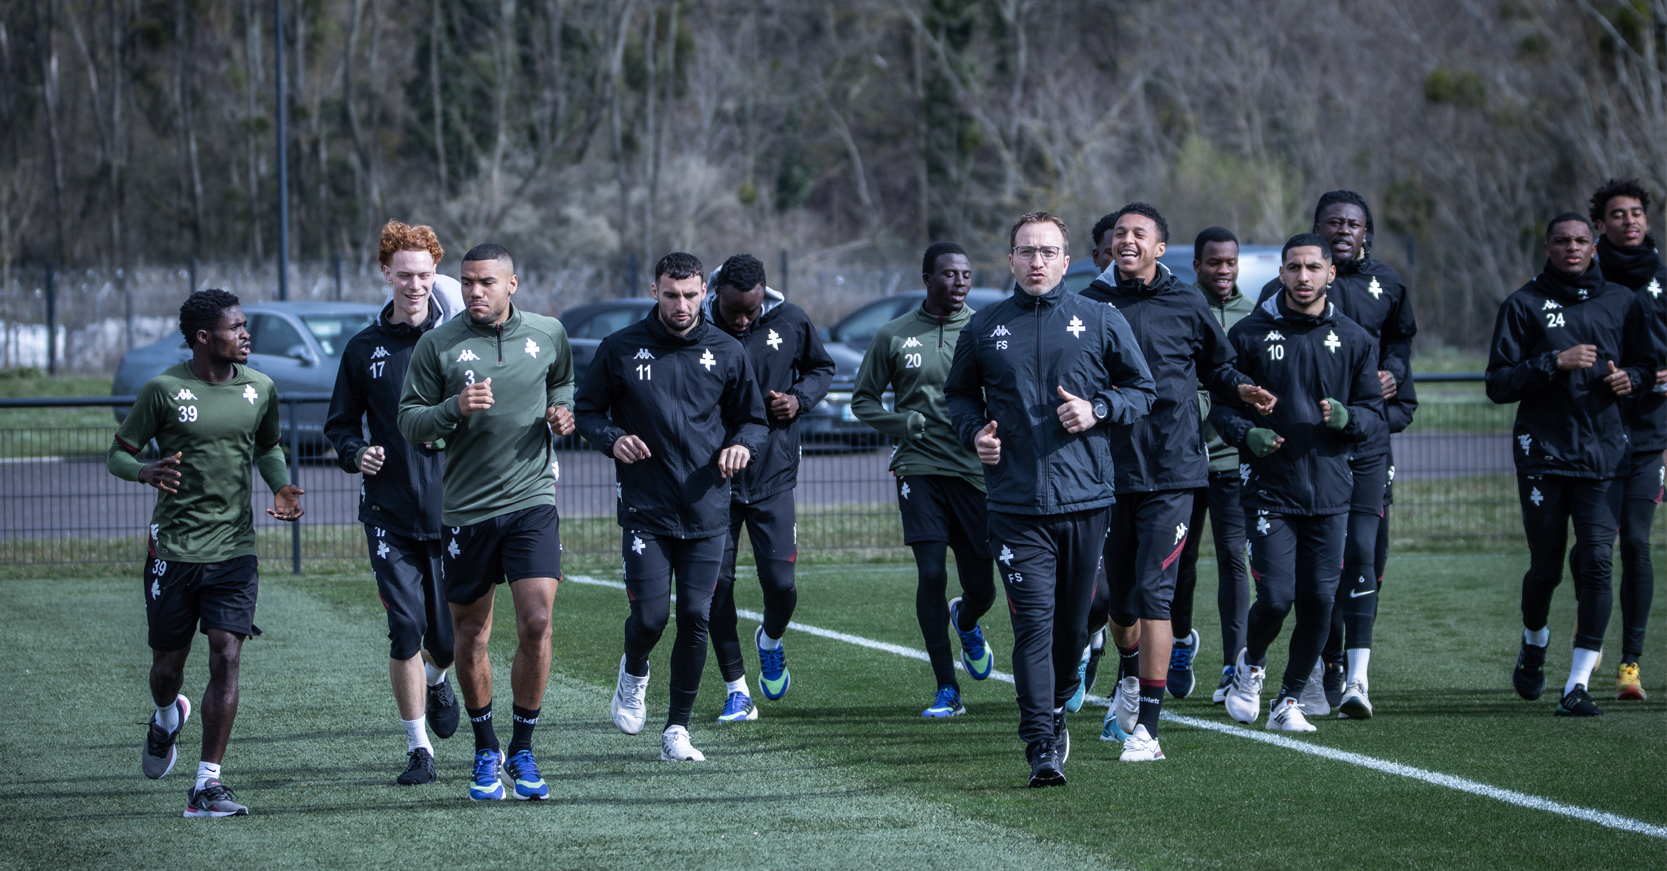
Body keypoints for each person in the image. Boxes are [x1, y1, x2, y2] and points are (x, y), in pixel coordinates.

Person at [945, 211, 1155, 786]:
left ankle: (1061, 698)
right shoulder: (983, 326)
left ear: (1067, 260)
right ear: (1010, 259)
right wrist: (975, 435)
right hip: (1015, 508)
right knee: (1034, 627)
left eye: (1048, 251)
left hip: (1086, 500)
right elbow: (958, 398)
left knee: (1077, 623)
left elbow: (1142, 391)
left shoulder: (1101, 319)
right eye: (1026, 251)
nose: (1037, 261)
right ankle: (1041, 743)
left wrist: (1099, 409)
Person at [1079, 205, 1268, 762]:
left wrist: (1243, 391)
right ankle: (1131, 677)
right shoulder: (1087, 305)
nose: (1127, 240)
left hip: (1172, 472)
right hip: (1107, 474)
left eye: (1140, 234)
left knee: (1155, 595)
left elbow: (1218, 368)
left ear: (1161, 248)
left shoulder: (1187, 301)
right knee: (1118, 600)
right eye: (1120, 233)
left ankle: (1149, 730)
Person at [112, 288, 305, 817]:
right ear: (203, 337)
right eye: (236, 327)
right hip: (174, 549)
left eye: (246, 326)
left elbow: (267, 446)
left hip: (234, 549)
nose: (246, 334)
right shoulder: (163, 389)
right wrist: (144, 471)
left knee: (227, 652)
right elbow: (118, 453)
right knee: (167, 667)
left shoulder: (260, 388)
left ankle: (207, 784)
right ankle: (165, 715)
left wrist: (280, 486)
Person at [397, 243, 576, 800]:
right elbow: (409, 422)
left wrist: (562, 410)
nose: (475, 292)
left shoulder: (548, 333)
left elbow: (563, 382)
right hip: (467, 511)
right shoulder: (437, 345)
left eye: (486, 283)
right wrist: (454, 408)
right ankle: (484, 750)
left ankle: (522, 750)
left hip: (531, 501)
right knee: (470, 636)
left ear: (512, 284)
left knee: (537, 620)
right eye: (468, 282)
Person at [578, 251, 768, 762]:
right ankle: (633, 670)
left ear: (705, 291)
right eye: (670, 294)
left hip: (708, 507)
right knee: (651, 618)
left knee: (696, 617)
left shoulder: (727, 351)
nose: (681, 305)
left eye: (690, 295)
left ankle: (677, 731)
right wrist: (612, 438)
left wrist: (742, 445)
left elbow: (753, 420)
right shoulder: (620, 348)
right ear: (655, 292)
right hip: (647, 506)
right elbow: (587, 411)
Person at [1214, 234, 1385, 733]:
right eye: (1294, 267)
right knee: (1275, 599)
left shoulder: (1354, 339)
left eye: (1313, 267)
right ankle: (1250, 667)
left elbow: (1376, 415)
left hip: (1331, 494)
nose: (1303, 277)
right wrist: (1248, 432)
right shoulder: (1248, 333)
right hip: (1270, 489)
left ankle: (1287, 700)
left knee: (1320, 601)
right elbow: (1221, 404)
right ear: (1281, 273)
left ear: (1331, 273)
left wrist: (1348, 419)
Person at [1487, 212, 1655, 717]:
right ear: (1548, 246)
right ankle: (1534, 640)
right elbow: (1497, 383)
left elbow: (1647, 365)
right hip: (1543, 454)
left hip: (1605, 455)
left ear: (1595, 246)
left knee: (1600, 561)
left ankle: (1576, 685)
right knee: (1546, 568)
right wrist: (1551, 363)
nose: (1573, 248)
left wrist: (1633, 379)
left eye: (1582, 240)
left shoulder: (1622, 302)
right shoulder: (1523, 304)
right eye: (1562, 241)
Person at [1259, 191, 1418, 716]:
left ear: (1365, 231)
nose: (1344, 230)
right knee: (1311, 575)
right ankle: (1317, 669)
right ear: (1317, 229)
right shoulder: (1278, 292)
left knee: (1363, 559)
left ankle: (1356, 677)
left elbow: (1400, 343)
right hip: (1304, 456)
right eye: (1334, 222)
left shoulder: (1388, 283)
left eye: (1354, 223)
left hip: (1366, 447)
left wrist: (1389, 377)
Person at [325, 221, 459, 786]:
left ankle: (437, 679)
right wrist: (358, 453)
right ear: (386, 274)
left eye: (424, 275)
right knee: (405, 628)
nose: (414, 285)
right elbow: (338, 425)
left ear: (436, 275)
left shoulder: (458, 342)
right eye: (403, 275)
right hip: (388, 514)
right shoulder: (363, 349)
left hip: (454, 511)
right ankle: (418, 749)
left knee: (447, 643)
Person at [852, 242, 1000, 719]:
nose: (959, 282)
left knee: (983, 588)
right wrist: (901, 424)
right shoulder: (893, 335)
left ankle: (967, 618)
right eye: (949, 274)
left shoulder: (984, 331)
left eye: (966, 274)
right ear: (926, 278)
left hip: (974, 472)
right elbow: (863, 401)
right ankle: (946, 689)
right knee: (932, 573)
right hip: (918, 468)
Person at [702, 254, 834, 721]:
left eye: (750, 313)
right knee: (716, 588)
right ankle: (736, 687)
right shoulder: (693, 330)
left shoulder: (791, 320)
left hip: (773, 474)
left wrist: (799, 400)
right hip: (711, 481)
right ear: (715, 294)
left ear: (764, 297)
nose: (741, 321)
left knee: (781, 585)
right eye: (732, 311)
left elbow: (822, 369)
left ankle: (770, 639)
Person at [1170, 227, 1257, 705]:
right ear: (1197, 266)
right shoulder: (1181, 305)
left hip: (1229, 459)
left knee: (1232, 559)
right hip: (1182, 461)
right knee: (1180, 564)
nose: (1223, 271)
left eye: (1230, 262)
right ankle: (1181, 643)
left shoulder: (1254, 315)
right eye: (1213, 263)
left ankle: (1234, 664)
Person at [1590, 178, 1667, 701]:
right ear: (1600, 225)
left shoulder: (1664, 276)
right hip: (1592, 431)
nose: (1630, 221)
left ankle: (1630, 666)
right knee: (1591, 550)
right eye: (1618, 214)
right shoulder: (1579, 276)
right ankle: (1585, 636)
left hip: (1649, 432)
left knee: (1635, 542)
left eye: (1636, 212)